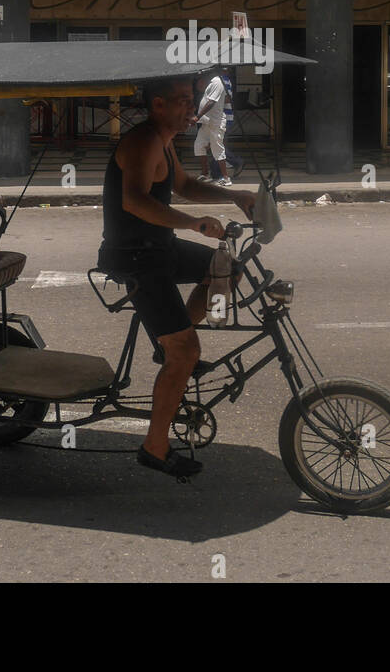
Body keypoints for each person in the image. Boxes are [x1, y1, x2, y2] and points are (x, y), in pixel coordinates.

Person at [97, 75, 256, 479]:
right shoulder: (142, 141)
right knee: (186, 352)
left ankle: (170, 346)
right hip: (136, 258)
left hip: (159, 248)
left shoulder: (164, 139)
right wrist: (193, 224)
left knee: (227, 270)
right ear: (158, 105)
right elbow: (133, 200)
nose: (192, 107)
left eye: (193, 99)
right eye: (184, 101)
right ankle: (154, 446)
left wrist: (234, 196)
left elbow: (182, 184)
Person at [191, 67, 231, 186]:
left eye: (202, 75)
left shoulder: (217, 82)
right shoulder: (211, 82)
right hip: (207, 122)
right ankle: (205, 173)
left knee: (217, 149)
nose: (200, 77)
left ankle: (226, 178)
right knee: (199, 145)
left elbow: (211, 102)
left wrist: (197, 117)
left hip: (216, 122)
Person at [208, 69, 245, 182]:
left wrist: (213, 102)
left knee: (216, 145)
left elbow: (228, 98)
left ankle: (235, 162)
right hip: (219, 117)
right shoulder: (220, 80)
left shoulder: (223, 81)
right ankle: (215, 173)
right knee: (214, 145)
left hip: (223, 117)